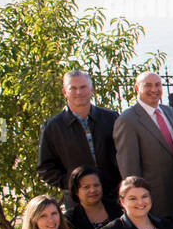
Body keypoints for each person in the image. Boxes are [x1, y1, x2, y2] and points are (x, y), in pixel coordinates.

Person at [37, 69, 120, 210]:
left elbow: (123, 154)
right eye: (73, 88)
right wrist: (74, 185)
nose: (78, 92)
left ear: (91, 89)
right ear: (65, 92)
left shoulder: (111, 118)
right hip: (77, 202)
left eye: (83, 87)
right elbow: (45, 168)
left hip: (113, 197)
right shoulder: (53, 126)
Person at [113, 71, 173, 218]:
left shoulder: (169, 111)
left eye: (157, 85)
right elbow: (129, 169)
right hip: (154, 200)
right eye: (148, 85)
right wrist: (138, 202)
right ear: (136, 88)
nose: (154, 90)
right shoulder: (128, 120)